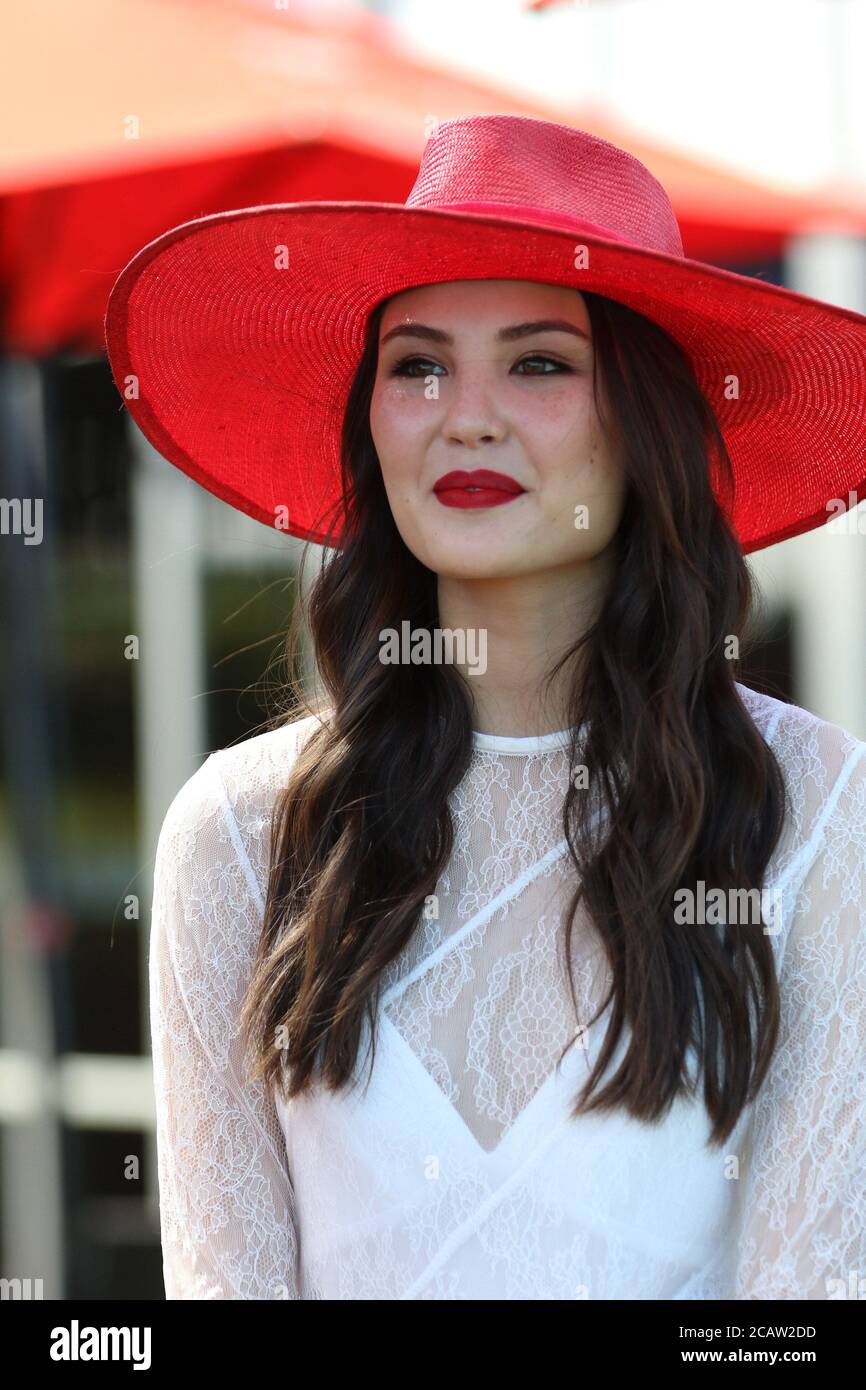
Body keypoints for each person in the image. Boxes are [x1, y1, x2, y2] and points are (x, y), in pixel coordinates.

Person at [106, 114, 866, 1300]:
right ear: (371, 416)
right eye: (416, 363)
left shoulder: (819, 816)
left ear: (646, 418)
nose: (466, 414)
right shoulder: (240, 836)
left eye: (538, 361)